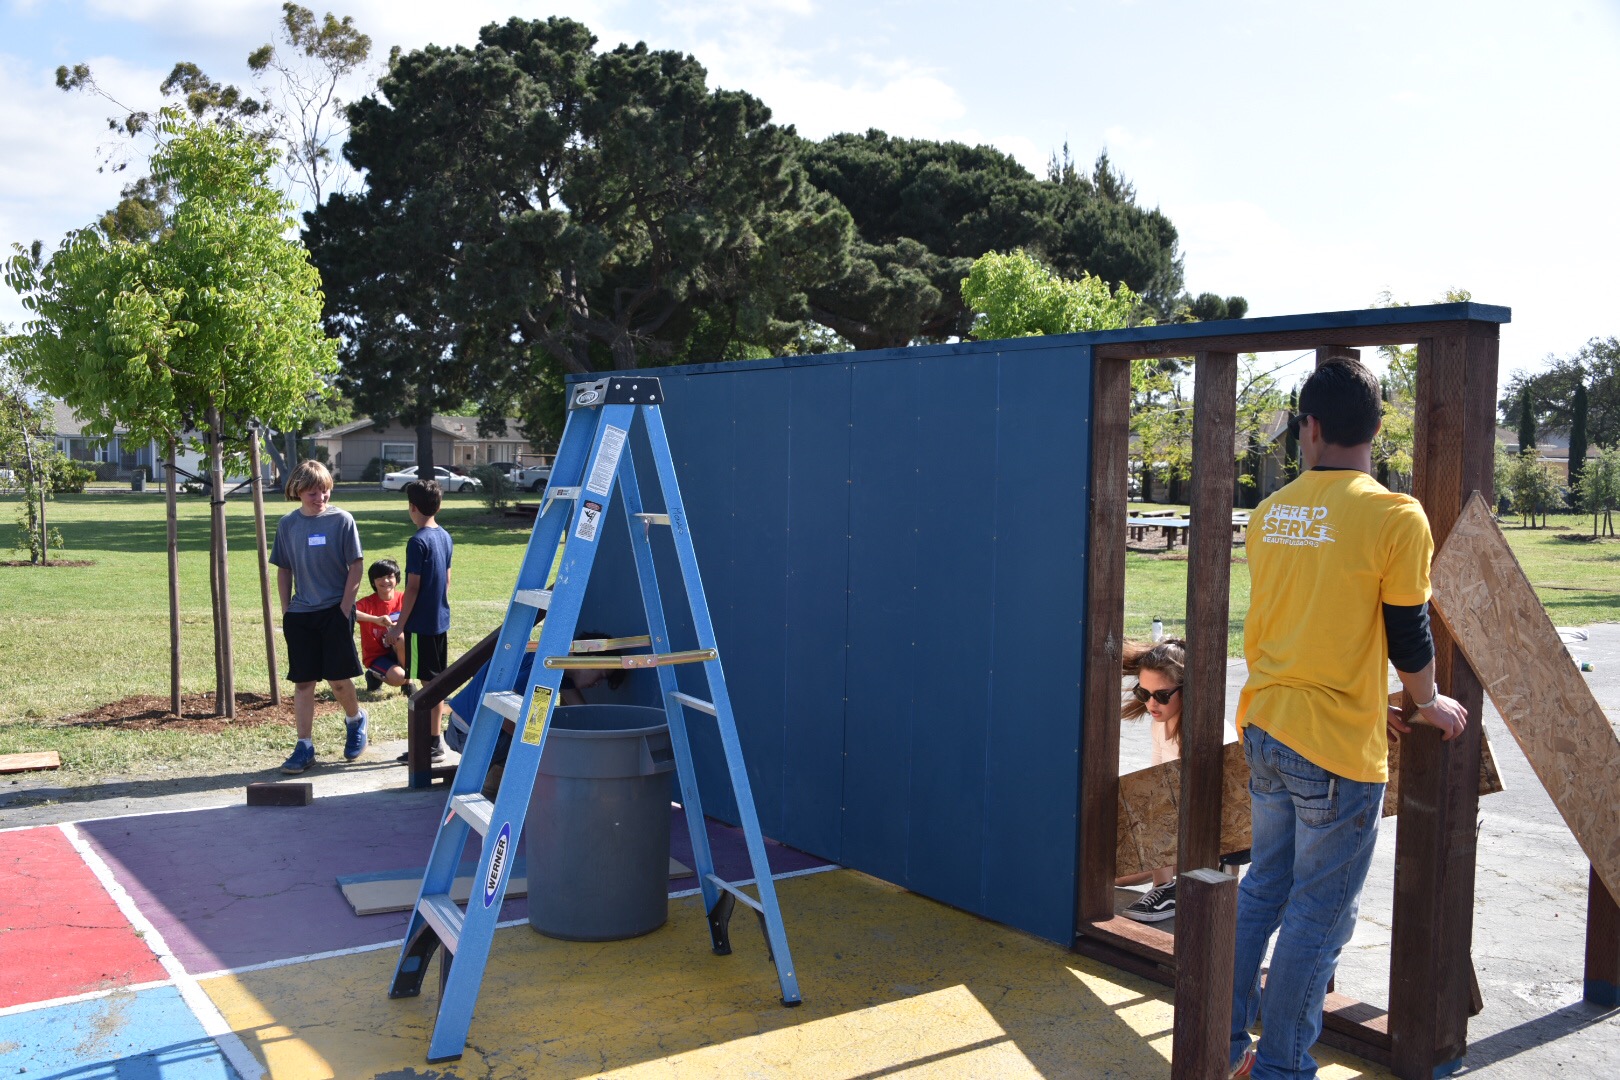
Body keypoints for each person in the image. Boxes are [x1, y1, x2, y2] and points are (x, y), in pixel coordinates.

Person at [1228, 359, 1468, 1079]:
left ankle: (1221, 1042)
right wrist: (1426, 701)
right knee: (1318, 913)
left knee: (1262, 890)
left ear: (1309, 428)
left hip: (1266, 724)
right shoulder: (1395, 515)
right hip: (1334, 747)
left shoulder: (1271, 513)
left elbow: (1306, 620)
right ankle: (1281, 1069)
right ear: (1377, 429)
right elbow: (1407, 633)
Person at [268, 460, 368, 773]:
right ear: (297, 491)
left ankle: (355, 719)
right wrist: (287, 610)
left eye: (324, 491)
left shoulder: (342, 520)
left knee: (338, 681)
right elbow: (284, 569)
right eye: (312, 492)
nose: (320, 497)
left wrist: (344, 608)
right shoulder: (288, 525)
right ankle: (304, 746)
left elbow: (356, 565)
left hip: (335, 611)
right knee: (303, 683)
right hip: (301, 614)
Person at [1118, 638, 1186, 922]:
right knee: (1113, 876)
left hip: (1210, 830)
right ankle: (1166, 882)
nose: (1150, 703)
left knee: (1154, 801)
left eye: (1161, 695)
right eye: (1143, 693)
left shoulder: (1199, 731)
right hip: (1172, 830)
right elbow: (1155, 778)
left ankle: (1166, 888)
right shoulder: (1162, 724)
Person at [384, 478, 453, 763]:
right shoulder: (444, 536)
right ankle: (434, 741)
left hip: (421, 625)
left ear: (412, 507)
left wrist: (399, 627)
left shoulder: (417, 541)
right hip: (439, 620)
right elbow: (447, 580)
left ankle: (430, 745)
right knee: (435, 683)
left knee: (427, 686)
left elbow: (412, 588)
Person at [354, 558, 417, 695]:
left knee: (401, 637)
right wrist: (375, 619)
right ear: (373, 582)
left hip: (402, 650)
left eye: (390, 576)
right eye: (379, 577)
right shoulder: (367, 603)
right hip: (377, 656)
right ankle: (373, 675)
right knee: (399, 677)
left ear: (397, 579)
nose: (385, 581)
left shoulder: (405, 599)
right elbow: (349, 612)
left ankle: (409, 682)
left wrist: (398, 627)